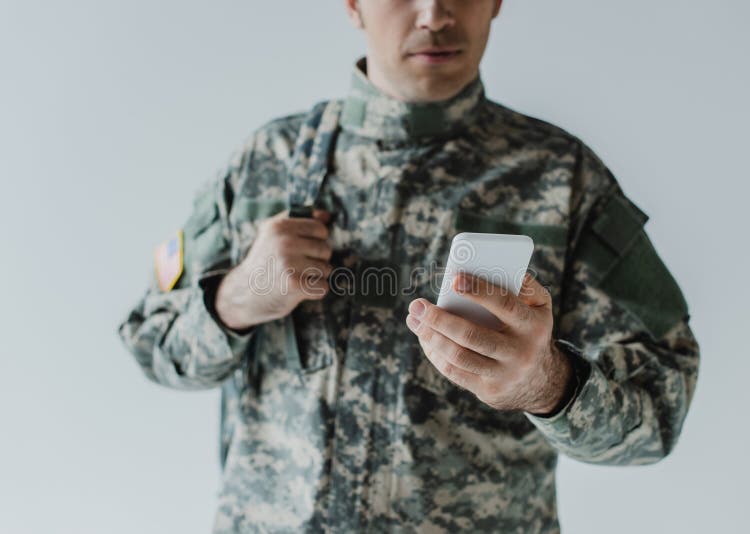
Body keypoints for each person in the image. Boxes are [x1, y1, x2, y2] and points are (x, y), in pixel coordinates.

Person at [118, 1, 700, 532]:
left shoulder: (563, 180)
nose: (434, 13)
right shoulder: (262, 166)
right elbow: (151, 340)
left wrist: (545, 383)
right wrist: (236, 299)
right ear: (352, 5)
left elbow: (661, 404)